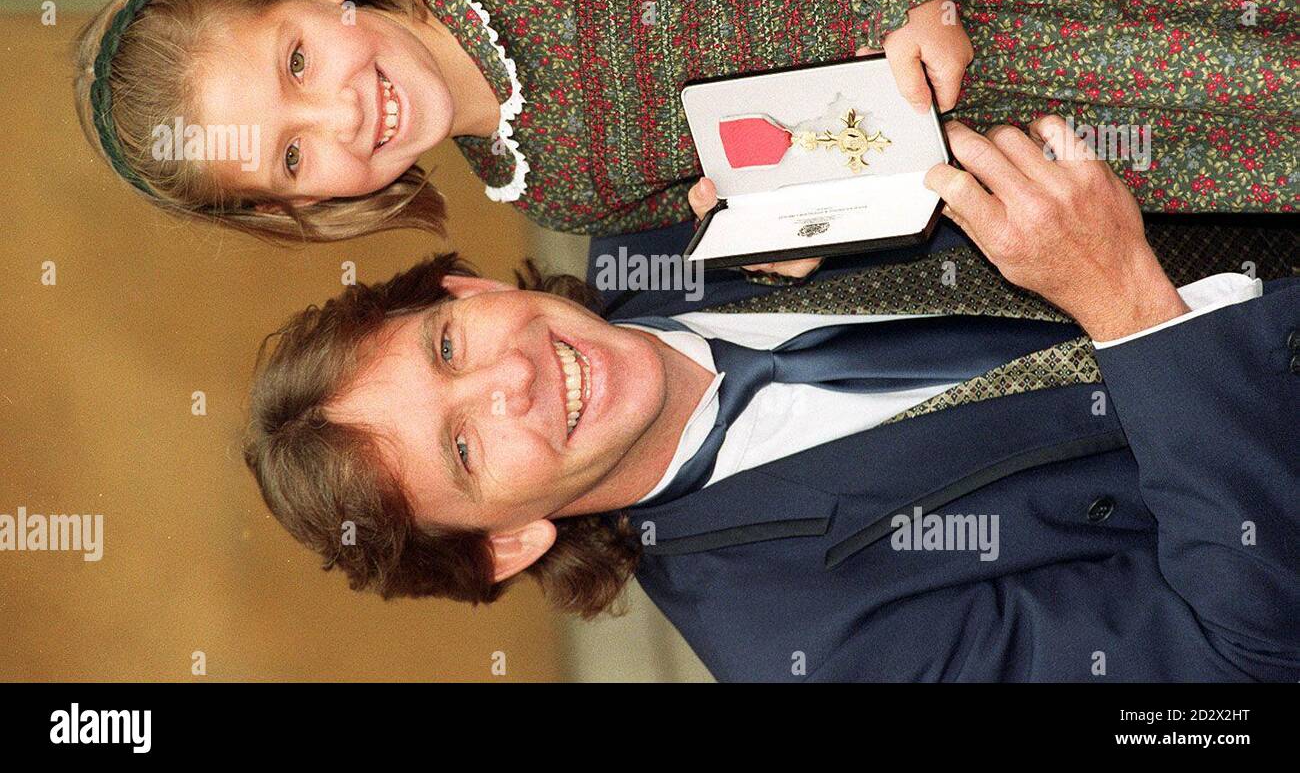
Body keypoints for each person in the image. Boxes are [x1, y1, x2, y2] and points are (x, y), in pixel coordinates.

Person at [241, 117, 1299, 680]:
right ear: (508, 543)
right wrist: (1131, 312)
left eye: (447, 344)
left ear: (465, 288)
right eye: (464, 449)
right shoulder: (819, 650)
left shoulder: (671, 194)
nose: (508, 379)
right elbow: (1236, 666)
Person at [74, 0, 1295, 250]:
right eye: (293, 156)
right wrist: (780, 237)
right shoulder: (556, 192)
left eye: (294, 62)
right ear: (305, 204)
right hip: (1078, 121)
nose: (339, 117)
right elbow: (813, 188)